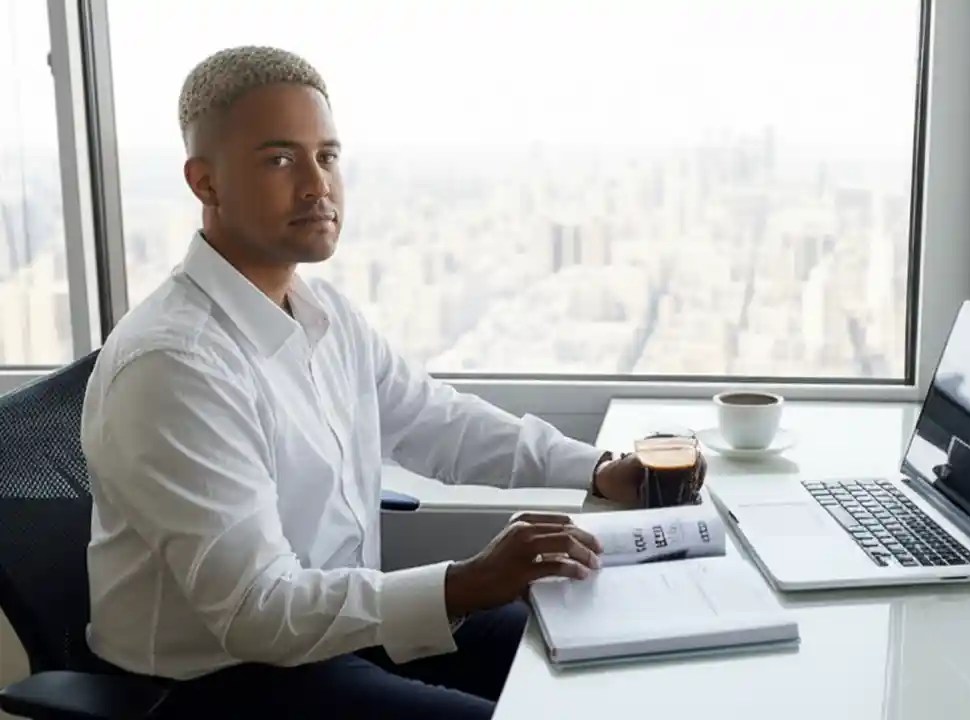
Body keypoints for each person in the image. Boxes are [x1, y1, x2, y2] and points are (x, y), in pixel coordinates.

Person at [80, 46, 679, 719]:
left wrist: (597, 470)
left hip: (338, 635)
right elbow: (256, 612)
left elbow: (439, 425)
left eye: (327, 156)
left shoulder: (323, 313)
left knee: (613, 655)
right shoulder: (175, 366)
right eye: (280, 159)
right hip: (220, 683)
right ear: (206, 182)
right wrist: (469, 583)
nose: (317, 186)